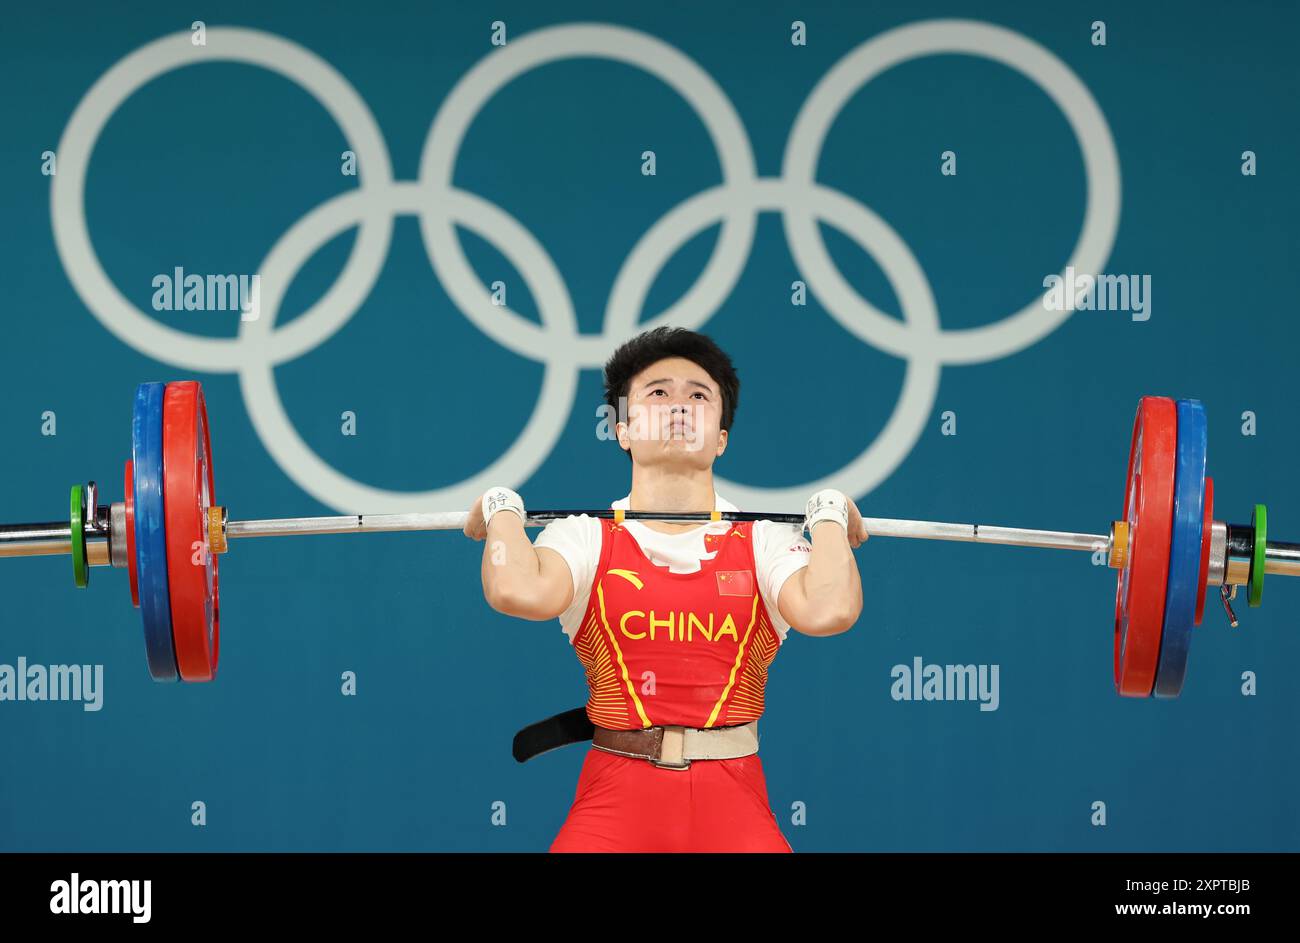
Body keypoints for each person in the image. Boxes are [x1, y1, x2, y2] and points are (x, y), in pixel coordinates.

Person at [463, 326, 866, 852]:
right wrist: (503, 509)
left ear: (721, 436)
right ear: (624, 430)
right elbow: (517, 591)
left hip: (735, 804)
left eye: (699, 395)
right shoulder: (584, 536)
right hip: (613, 805)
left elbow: (830, 610)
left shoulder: (766, 541)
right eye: (657, 393)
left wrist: (830, 515)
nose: (679, 405)